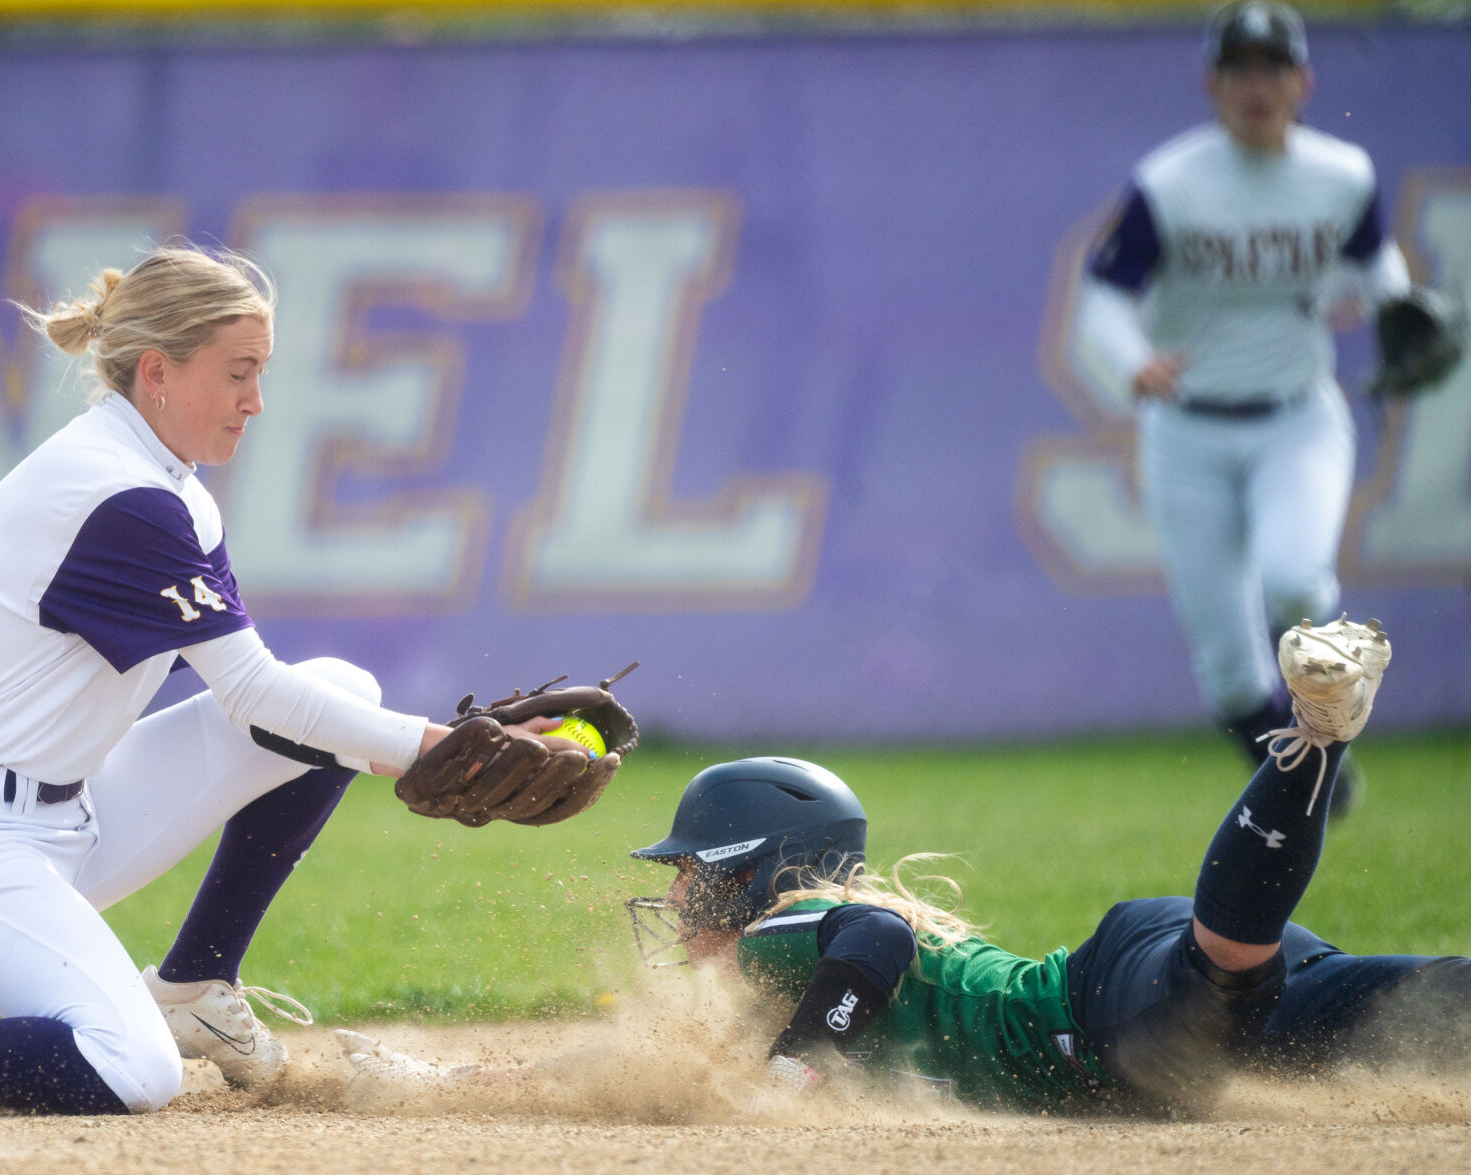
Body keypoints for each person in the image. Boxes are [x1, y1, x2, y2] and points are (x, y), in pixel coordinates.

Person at [0, 243, 574, 1120]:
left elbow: (282, 702)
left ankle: (196, 985)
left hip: (69, 815)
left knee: (340, 688)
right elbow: (256, 696)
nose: (257, 399)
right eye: (239, 372)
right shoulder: (115, 491)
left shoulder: (168, 486)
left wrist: (411, 744)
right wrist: (438, 746)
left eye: (261, 371)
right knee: (135, 1068)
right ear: (158, 372)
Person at [344, 617, 1471, 1115]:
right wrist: (443, 1086)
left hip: (1103, 1010)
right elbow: (602, 1068)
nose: (680, 891)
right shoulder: (780, 958)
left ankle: (1310, 738)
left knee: (1223, 980)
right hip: (1125, 971)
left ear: (756, 868)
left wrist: (792, 1069)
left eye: (695, 868)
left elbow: (874, 943)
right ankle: (1309, 752)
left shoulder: (800, 928)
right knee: (1396, 1008)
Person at [1073, 0, 1413, 817]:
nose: (1255, 86)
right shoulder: (1172, 181)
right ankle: (1313, 788)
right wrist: (1130, 360)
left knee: (1297, 579)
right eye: (1239, 70)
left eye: (1271, 68)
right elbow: (1102, 299)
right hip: (1186, 430)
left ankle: (1323, 748)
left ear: (1302, 80)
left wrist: (1409, 325)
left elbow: (1383, 285)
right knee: (1229, 671)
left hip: (1296, 415)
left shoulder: (1341, 176)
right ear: (1211, 83)